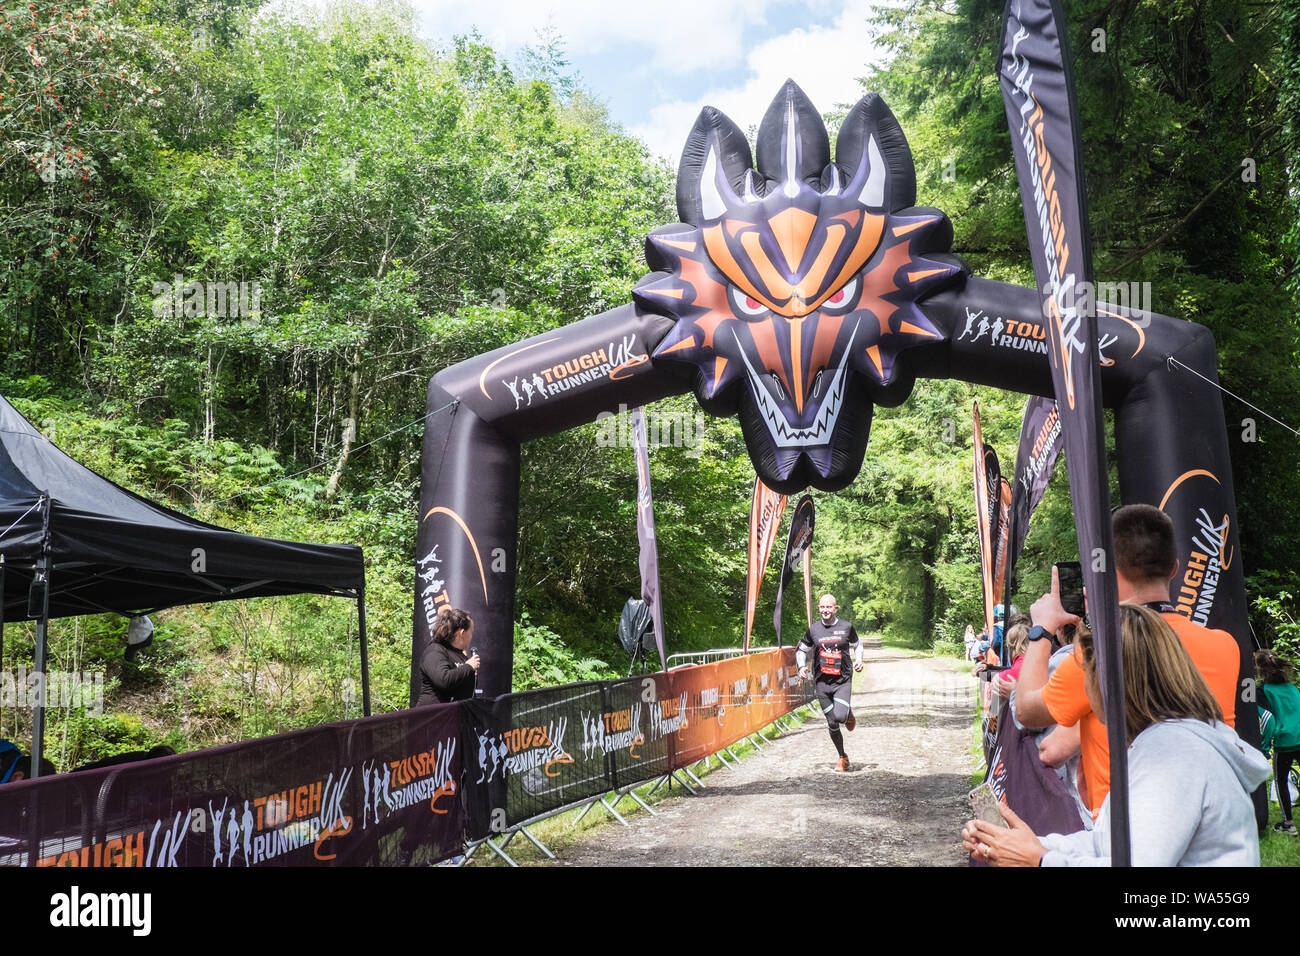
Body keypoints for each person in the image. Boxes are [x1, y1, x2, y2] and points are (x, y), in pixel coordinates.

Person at [963, 605, 1269, 865]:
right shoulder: (1163, 742)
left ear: (1108, 681)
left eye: (1087, 673)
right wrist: (1032, 846)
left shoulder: (1175, 754)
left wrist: (1040, 859)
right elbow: (1108, 845)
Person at [1013, 504, 1241, 818]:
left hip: (1124, 833)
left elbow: (1026, 711)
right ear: (1174, 569)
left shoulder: (1097, 655)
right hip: (1206, 824)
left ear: (1105, 573)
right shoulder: (1226, 647)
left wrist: (1042, 630)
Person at [797, 593, 863, 772]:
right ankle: (843, 757)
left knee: (840, 717)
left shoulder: (846, 627)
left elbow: (858, 644)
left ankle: (847, 713)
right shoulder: (813, 630)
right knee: (832, 723)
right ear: (819, 608)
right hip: (822, 683)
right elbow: (801, 650)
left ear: (835, 608)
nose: (825, 610)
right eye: (822, 607)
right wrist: (801, 667)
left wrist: (859, 660)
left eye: (829, 607)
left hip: (842, 680)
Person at [1255, 649, 1300, 835]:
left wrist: (1264, 747)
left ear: (1260, 669)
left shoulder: (1263, 691)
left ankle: (1288, 824)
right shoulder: (1292, 688)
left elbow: (1268, 720)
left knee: (1280, 781)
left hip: (1284, 742)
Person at [415, 606, 479, 706]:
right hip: (432, 717)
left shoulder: (462, 657)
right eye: (471, 632)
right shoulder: (434, 651)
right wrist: (468, 667)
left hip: (455, 717)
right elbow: (443, 680)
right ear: (462, 633)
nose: (471, 637)